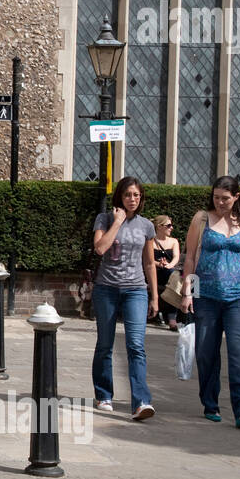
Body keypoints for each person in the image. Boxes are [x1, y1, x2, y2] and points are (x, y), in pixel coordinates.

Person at [179, 176, 240, 428]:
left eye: (225, 198)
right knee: (206, 352)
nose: (220, 202)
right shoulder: (201, 219)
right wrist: (188, 291)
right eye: (216, 197)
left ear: (236, 197)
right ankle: (210, 402)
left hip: (237, 296)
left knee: (239, 353)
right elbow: (190, 257)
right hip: (206, 296)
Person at [90, 177, 159, 420]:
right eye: (128, 194)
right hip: (106, 289)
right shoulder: (105, 219)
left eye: (136, 195)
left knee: (136, 346)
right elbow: (100, 248)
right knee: (105, 345)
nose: (132, 199)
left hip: (136, 290)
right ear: (120, 195)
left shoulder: (146, 226)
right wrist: (118, 222)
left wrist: (155, 297)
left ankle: (141, 402)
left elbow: (149, 263)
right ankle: (103, 394)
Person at [152, 214, 182, 330]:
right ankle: (172, 318)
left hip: (169, 272)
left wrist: (169, 265)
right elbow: (148, 260)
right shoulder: (151, 241)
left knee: (174, 277)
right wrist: (159, 264)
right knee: (173, 277)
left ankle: (173, 317)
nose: (171, 228)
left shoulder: (174, 241)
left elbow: (176, 257)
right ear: (159, 227)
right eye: (168, 225)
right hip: (154, 272)